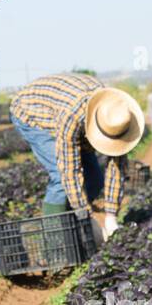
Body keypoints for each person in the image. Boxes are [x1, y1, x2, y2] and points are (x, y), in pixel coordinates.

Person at [9, 74, 144, 242]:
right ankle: (56, 243)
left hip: (69, 112)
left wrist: (111, 217)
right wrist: (86, 217)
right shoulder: (72, 117)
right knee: (60, 178)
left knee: (95, 179)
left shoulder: (118, 116)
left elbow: (115, 169)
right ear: (93, 129)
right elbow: (69, 171)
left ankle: (71, 222)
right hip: (32, 113)